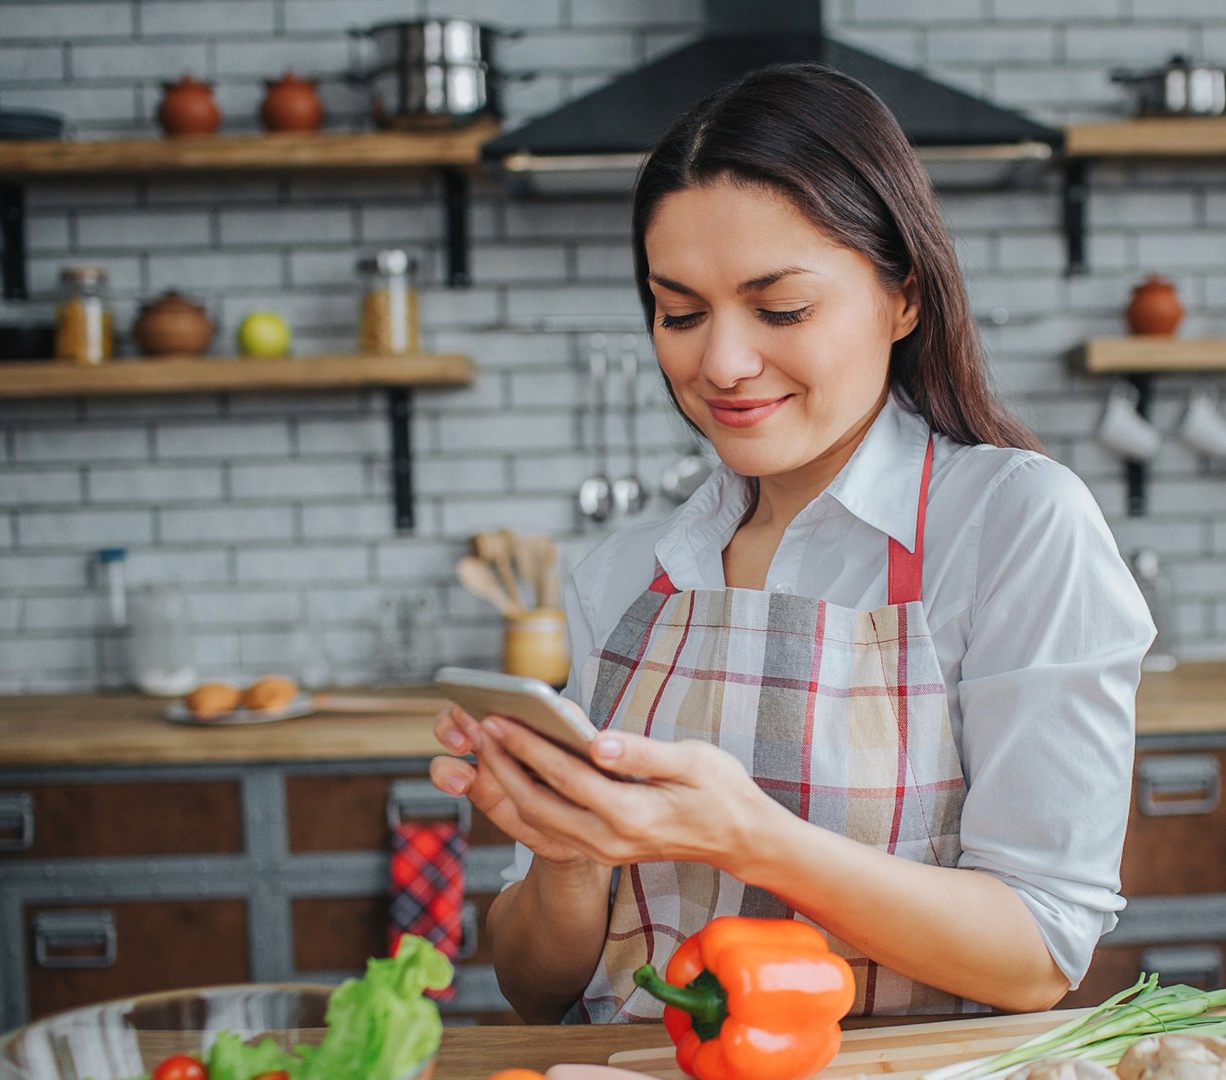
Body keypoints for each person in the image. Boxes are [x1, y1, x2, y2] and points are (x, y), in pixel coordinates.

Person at [430, 61, 1155, 1025]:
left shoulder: (1013, 525)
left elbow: (1038, 952)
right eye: (679, 312)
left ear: (904, 296)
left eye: (781, 309)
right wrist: (570, 857)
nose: (720, 363)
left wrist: (749, 837)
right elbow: (535, 986)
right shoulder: (627, 574)